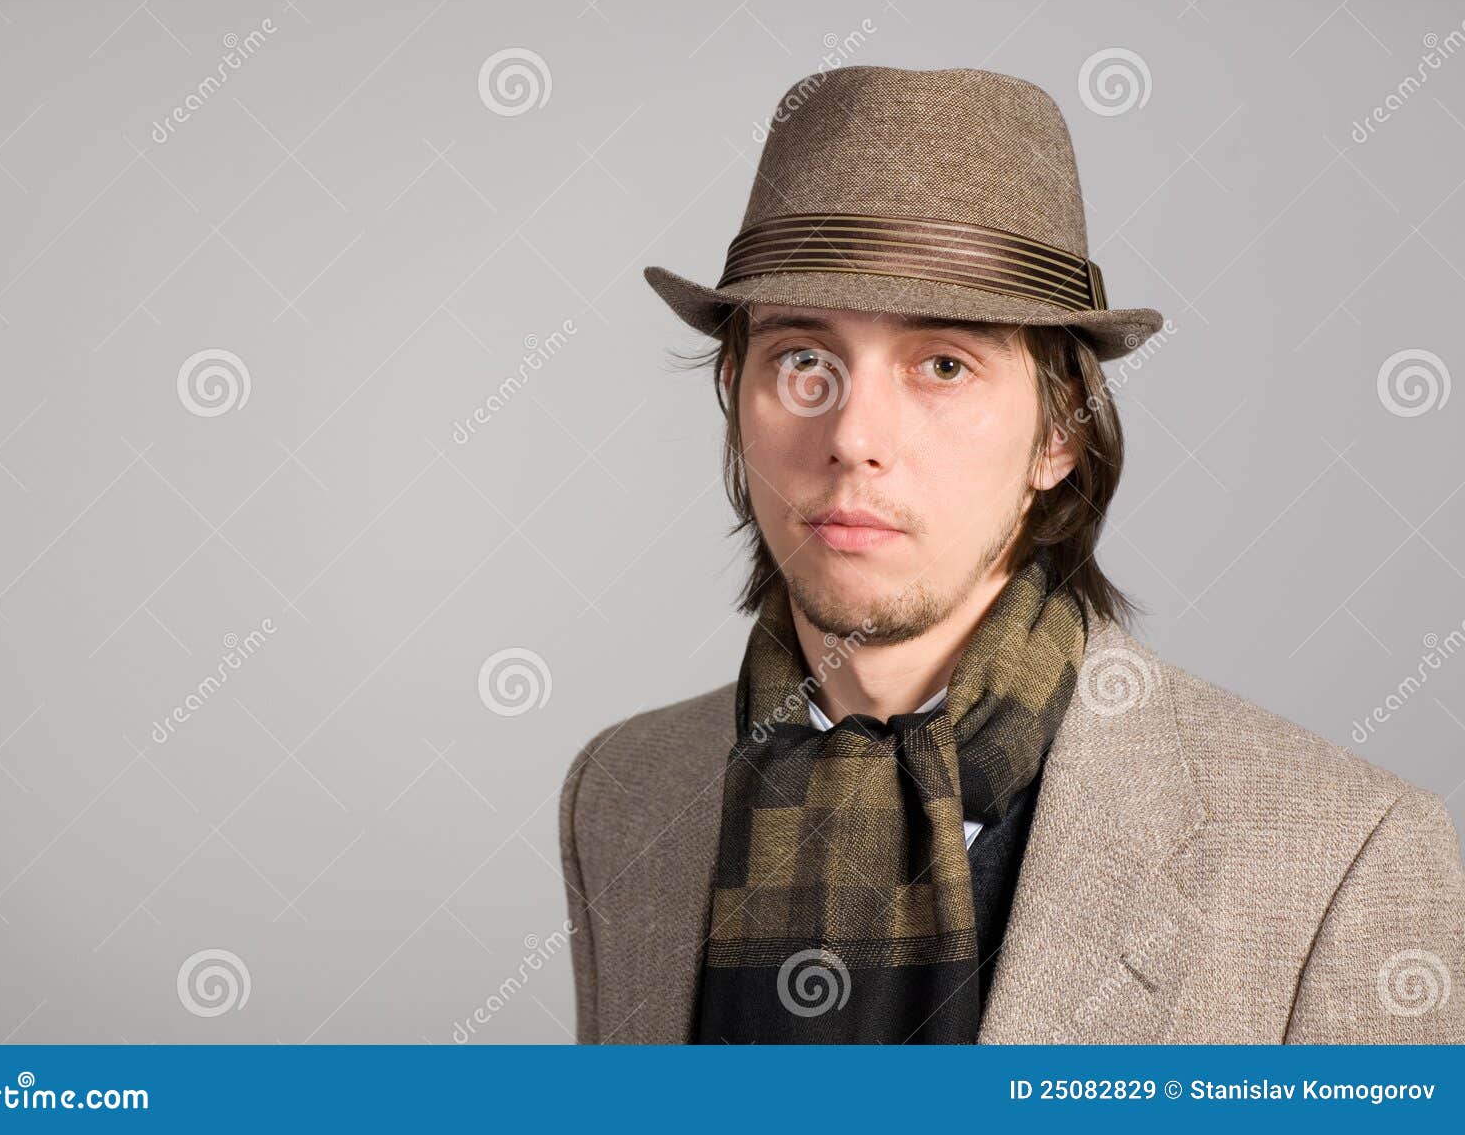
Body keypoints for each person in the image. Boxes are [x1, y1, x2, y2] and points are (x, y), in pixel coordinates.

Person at [559, 66, 1464, 1043]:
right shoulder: (628, 790)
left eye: (943, 363)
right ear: (737, 396)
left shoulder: (1340, 853)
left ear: (1058, 434)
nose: (853, 433)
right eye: (801, 359)